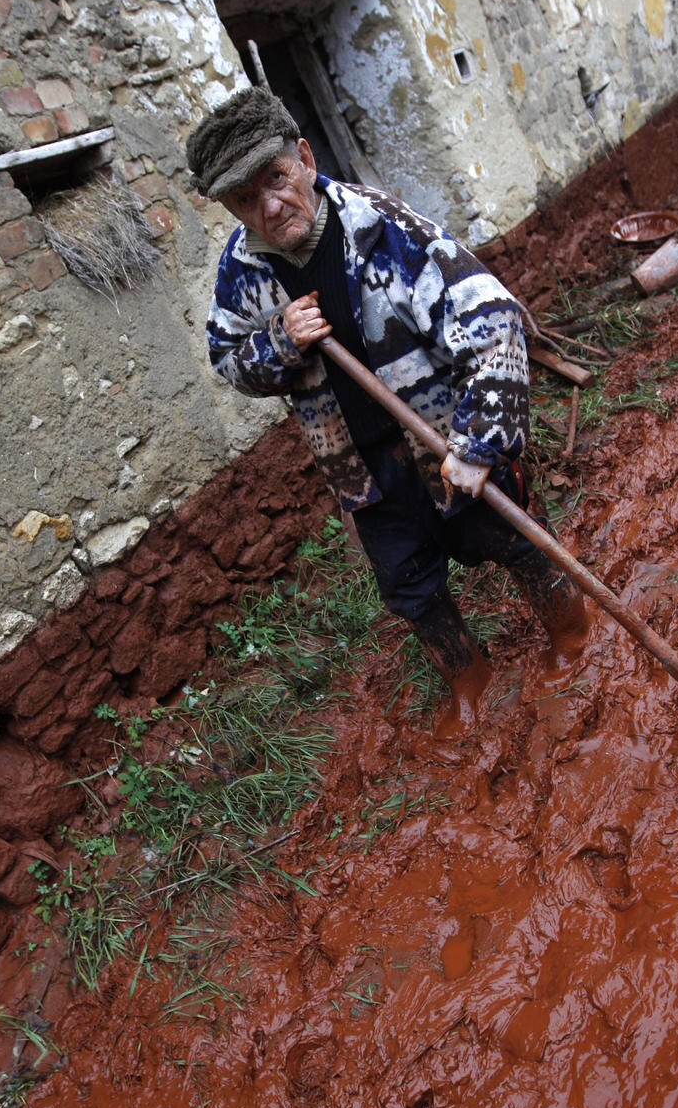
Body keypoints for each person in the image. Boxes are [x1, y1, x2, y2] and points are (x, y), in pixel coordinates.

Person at [186, 88, 587, 732]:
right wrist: (278, 343)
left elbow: (494, 320)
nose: (268, 207)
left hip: (445, 440)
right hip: (361, 467)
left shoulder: (384, 229)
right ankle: (472, 685)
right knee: (410, 586)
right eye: (243, 199)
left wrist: (480, 442)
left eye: (276, 179)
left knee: (513, 539)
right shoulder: (240, 272)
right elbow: (230, 363)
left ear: (306, 159)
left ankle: (572, 638)